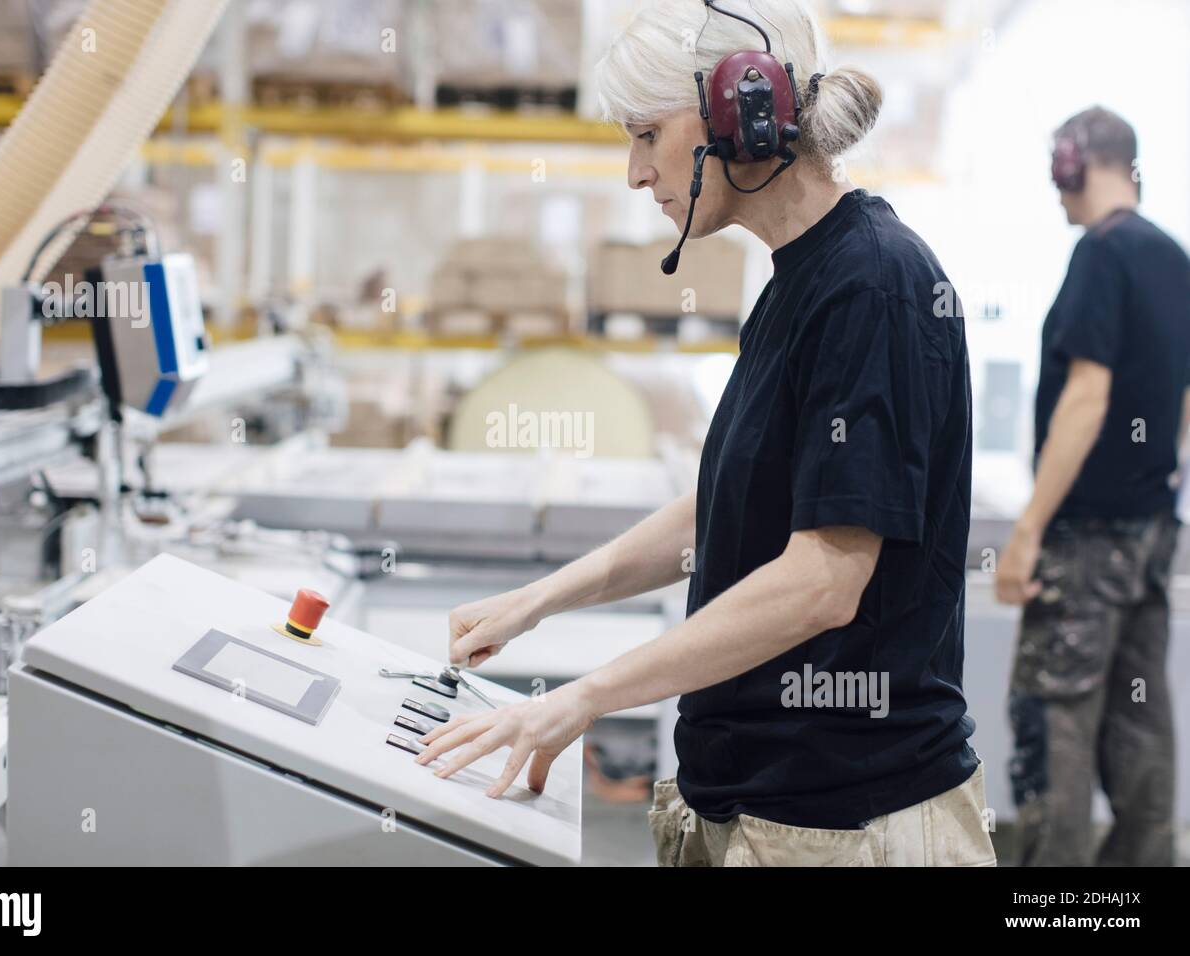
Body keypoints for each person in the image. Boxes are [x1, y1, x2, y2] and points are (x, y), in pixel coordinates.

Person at [414, 0, 995, 867]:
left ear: (739, 114)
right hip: (763, 803)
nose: (635, 174)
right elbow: (726, 502)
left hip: (847, 821)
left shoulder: (876, 286)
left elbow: (822, 583)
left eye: (647, 134)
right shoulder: (799, 280)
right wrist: (540, 600)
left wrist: (587, 696)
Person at [996, 106, 1190, 867]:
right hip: (1150, 533)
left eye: (1059, 168)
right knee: (1140, 719)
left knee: (1059, 725)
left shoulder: (1100, 255)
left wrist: (1028, 529)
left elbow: (1086, 396)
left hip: (1083, 541)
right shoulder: (1175, 261)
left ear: (1080, 163)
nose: (1056, 187)